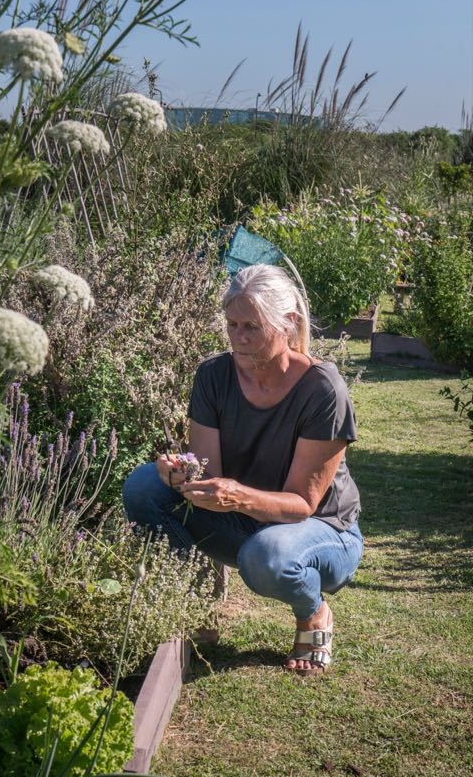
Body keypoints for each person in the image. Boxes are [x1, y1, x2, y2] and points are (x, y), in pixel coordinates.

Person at [123, 263, 363, 676]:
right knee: (144, 486)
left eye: (252, 325)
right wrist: (183, 475)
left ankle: (314, 613)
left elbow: (302, 504)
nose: (238, 337)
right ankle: (198, 606)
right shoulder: (213, 376)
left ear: (288, 323)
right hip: (246, 517)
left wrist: (234, 495)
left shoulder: (323, 390)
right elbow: (207, 470)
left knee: (267, 556)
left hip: (322, 531)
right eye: (232, 324)